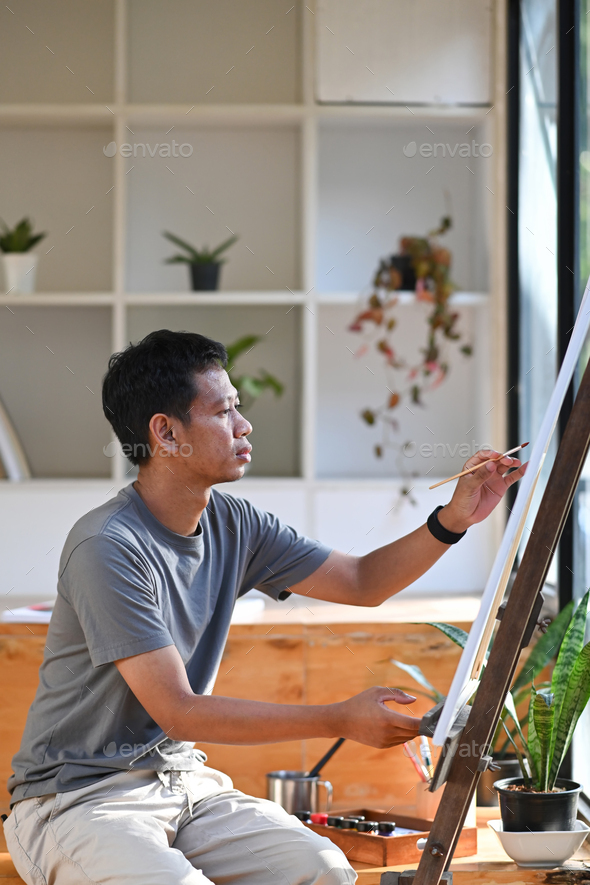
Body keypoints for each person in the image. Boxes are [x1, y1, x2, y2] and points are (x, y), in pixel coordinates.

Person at [3, 330, 525, 885]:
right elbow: (177, 710)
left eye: (238, 408)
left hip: (181, 782)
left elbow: (362, 580)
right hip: (78, 799)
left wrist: (453, 519)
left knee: (323, 869)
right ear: (166, 431)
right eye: (224, 410)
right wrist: (337, 719)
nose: (244, 425)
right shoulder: (107, 546)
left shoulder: (236, 523)